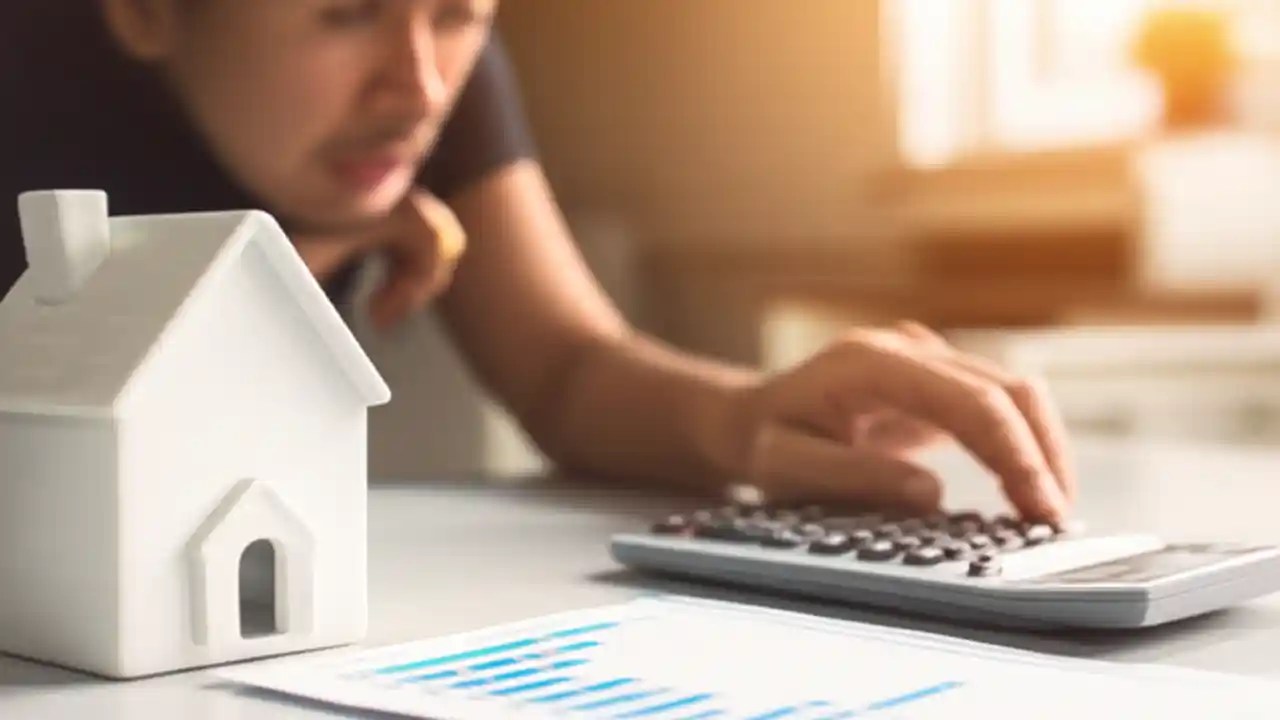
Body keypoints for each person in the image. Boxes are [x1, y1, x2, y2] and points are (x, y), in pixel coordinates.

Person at [0, 0, 1075, 523]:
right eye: (343, 11)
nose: (421, 87)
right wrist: (275, 261)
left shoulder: (419, 64)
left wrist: (744, 417)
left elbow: (564, 364)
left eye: (462, 11)